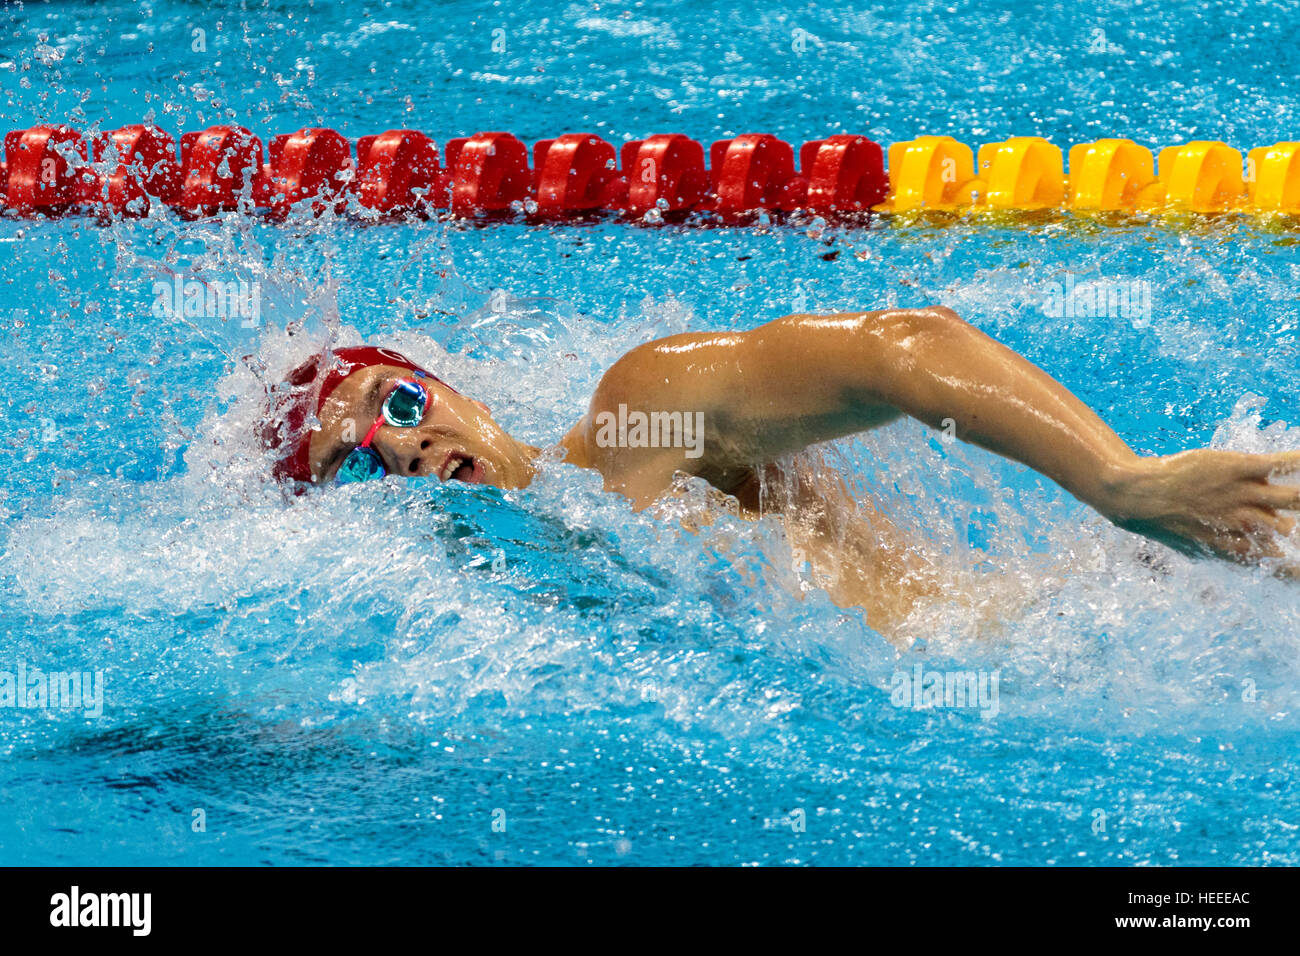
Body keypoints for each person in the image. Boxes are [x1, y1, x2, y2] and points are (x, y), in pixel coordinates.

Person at [261, 306, 1300, 639]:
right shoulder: (482, 629)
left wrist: (1122, 484)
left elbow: (901, 346)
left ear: (453, 390)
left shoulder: (636, 423)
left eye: (397, 405)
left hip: (1117, 623)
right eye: (356, 468)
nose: (398, 446)